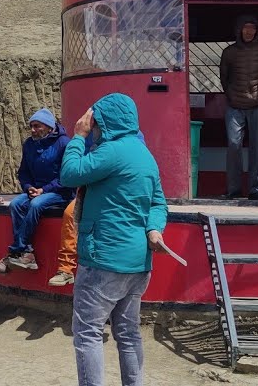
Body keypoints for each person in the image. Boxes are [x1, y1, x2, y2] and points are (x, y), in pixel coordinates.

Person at [60, 93, 168, 386]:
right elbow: (159, 202)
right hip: (138, 262)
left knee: (88, 333)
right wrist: (155, 228)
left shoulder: (111, 151)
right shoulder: (144, 153)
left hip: (103, 260)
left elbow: (69, 174)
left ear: (104, 123)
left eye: (94, 123)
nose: (91, 128)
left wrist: (78, 136)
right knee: (128, 333)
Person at [0, 108, 72, 273]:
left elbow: (66, 176)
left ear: (49, 127)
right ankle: (27, 253)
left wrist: (44, 190)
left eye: (37, 126)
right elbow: (23, 172)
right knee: (15, 204)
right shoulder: (29, 144)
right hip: (36, 189)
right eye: (31, 126)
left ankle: (16, 250)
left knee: (36, 204)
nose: (33, 130)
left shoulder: (64, 143)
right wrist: (28, 187)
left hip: (59, 191)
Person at [218, 14, 258, 199]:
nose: (249, 31)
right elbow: (224, 77)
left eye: (252, 28)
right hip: (235, 105)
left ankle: (256, 189)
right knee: (234, 144)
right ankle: (233, 189)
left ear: (257, 30)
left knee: (257, 147)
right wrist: (231, 95)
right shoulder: (229, 52)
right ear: (239, 30)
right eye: (246, 27)